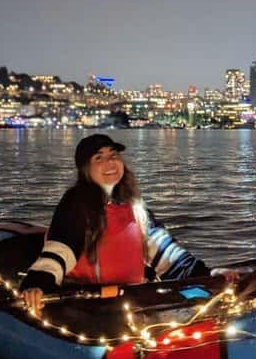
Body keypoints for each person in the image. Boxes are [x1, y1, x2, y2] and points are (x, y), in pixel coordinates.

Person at [20, 133, 227, 315]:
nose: (110, 163)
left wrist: (207, 275)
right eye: (99, 158)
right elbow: (61, 248)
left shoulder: (134, 205)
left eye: (114, 156)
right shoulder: (76, 203)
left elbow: (164, 251)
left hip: (132, 299)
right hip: (87, 303)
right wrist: (38, 284)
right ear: (85, 169)